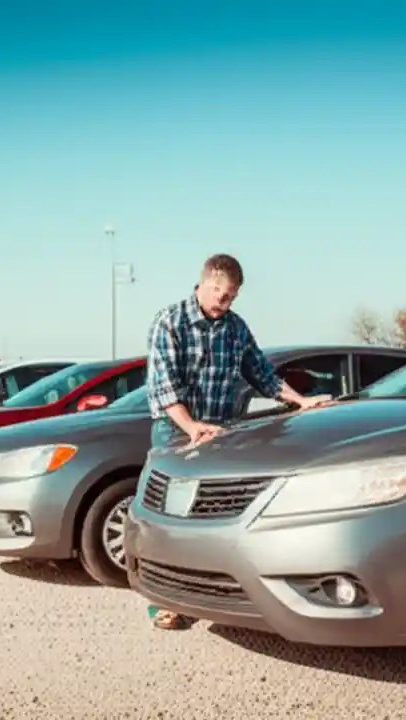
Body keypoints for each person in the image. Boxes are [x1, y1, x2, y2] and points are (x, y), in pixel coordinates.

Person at [143, 253, 330, 630]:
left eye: (232, 298)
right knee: (170, 520)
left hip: (224, 432)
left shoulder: (235, 328)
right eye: (222, 295)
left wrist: (301, 400)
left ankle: (213, 591)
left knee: (212, 518)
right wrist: (191, 425)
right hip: (177, 431)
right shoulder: (170, 322)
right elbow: (163, 386)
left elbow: (262, 373)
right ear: (207, 282)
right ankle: (164, 599)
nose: (225, 304)